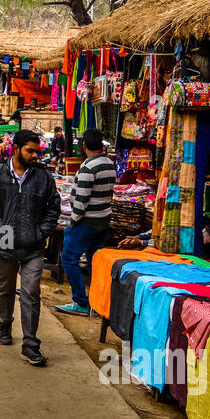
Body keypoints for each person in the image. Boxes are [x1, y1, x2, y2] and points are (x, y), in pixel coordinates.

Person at [0, 128, 61, 366]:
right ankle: (4, 323)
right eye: (30, 151)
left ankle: (31, 344)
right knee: (6, 287)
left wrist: (41, 232)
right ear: (16, 149)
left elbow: (54, 207)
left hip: (33, 245)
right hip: (6, 240)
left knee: (31, 292)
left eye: (37, 151)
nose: (35, 155)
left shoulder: (43, 177)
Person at [55, 129, 117, 315]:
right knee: (94, 260)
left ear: (84, 146)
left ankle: (81, 302)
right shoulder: (109, 164)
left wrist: (72, 222)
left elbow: (81, 200)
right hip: (103, 219)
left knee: (69, 259)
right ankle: (97, 302)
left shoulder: (88, 168)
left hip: (87, 221)